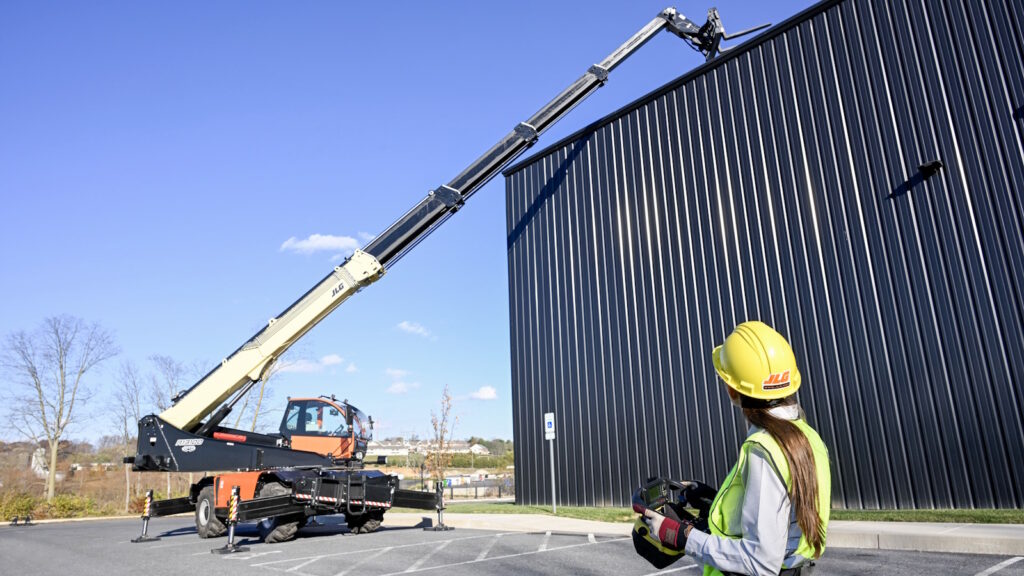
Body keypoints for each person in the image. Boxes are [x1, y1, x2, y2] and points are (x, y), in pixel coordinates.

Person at [641, 321, 831, 576]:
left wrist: (682, 536)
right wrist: (713, 500)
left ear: (732, 390)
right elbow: (785, 515)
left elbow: (760, 561)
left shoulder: (763, 449)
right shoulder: (809, 439)